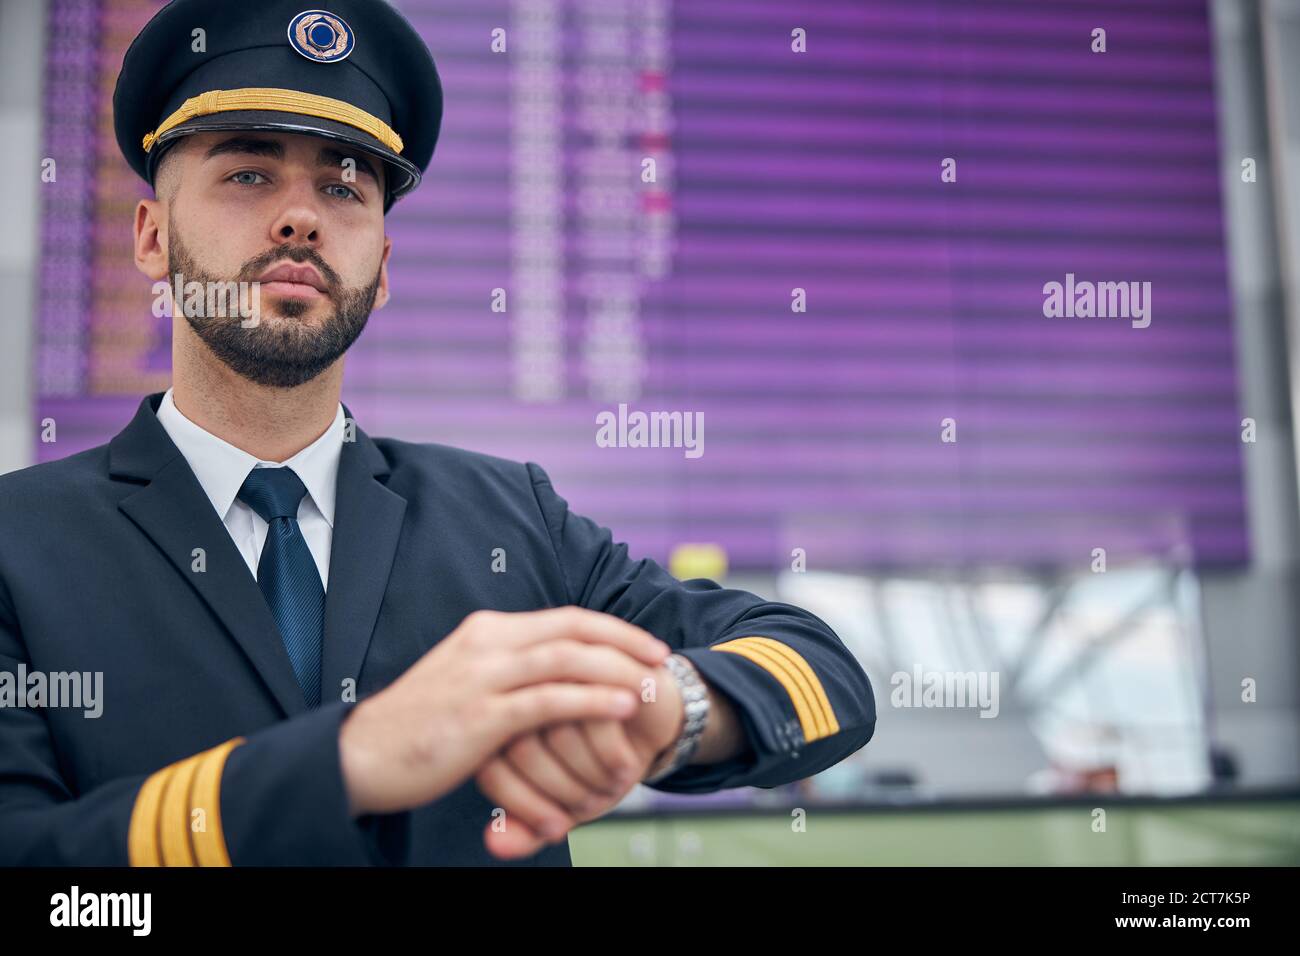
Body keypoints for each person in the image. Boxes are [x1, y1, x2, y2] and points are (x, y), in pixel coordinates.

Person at [0, 0, 876, 866]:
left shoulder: (510, 517)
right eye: (249, 174)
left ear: (379, 269)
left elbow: (820, 670)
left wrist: (671, 703)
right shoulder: (19, 544)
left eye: (344, 187)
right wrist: (349, 761)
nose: (300, 219)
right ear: (151, 237)